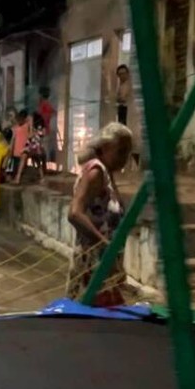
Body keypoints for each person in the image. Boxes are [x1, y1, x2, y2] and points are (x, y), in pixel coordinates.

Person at [66, 123, 133, 306]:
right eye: (121, 151)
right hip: (93, 265)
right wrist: (106, 248)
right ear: (105, 148)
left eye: (128, 153)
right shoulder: (96, 172)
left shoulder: (107, 173)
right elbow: (74, 213)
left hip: (105, 267)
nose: (124, 158)